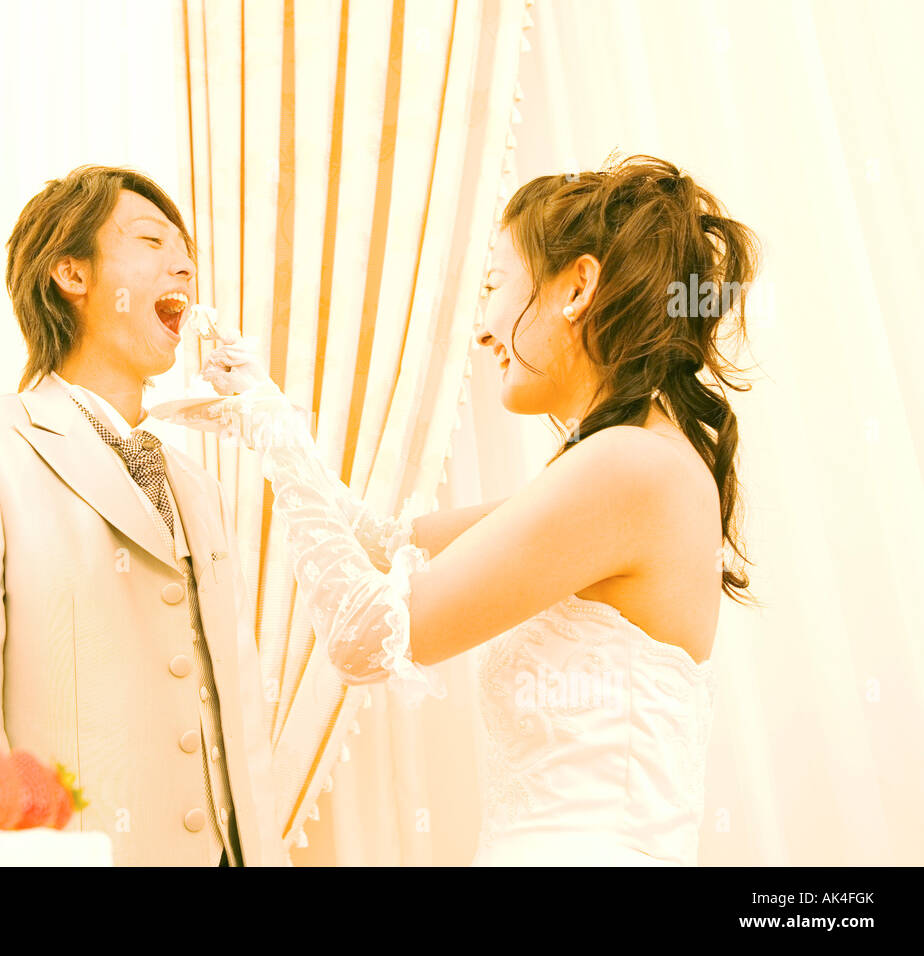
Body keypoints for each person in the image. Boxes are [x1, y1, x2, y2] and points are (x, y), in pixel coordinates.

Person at [164, 155, 759, 865]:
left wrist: (272, 434)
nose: (482, 330)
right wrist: (270, 413)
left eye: (492, 285)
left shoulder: (628, 467)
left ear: (578, 288)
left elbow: (362, 636)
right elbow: (387, 545)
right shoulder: (626, 463)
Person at [0, 166, 279, 866]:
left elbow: (238, 716)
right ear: (70, 274)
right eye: (149, 239)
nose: (185, 264)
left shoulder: (197, 484)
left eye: (186, 250)